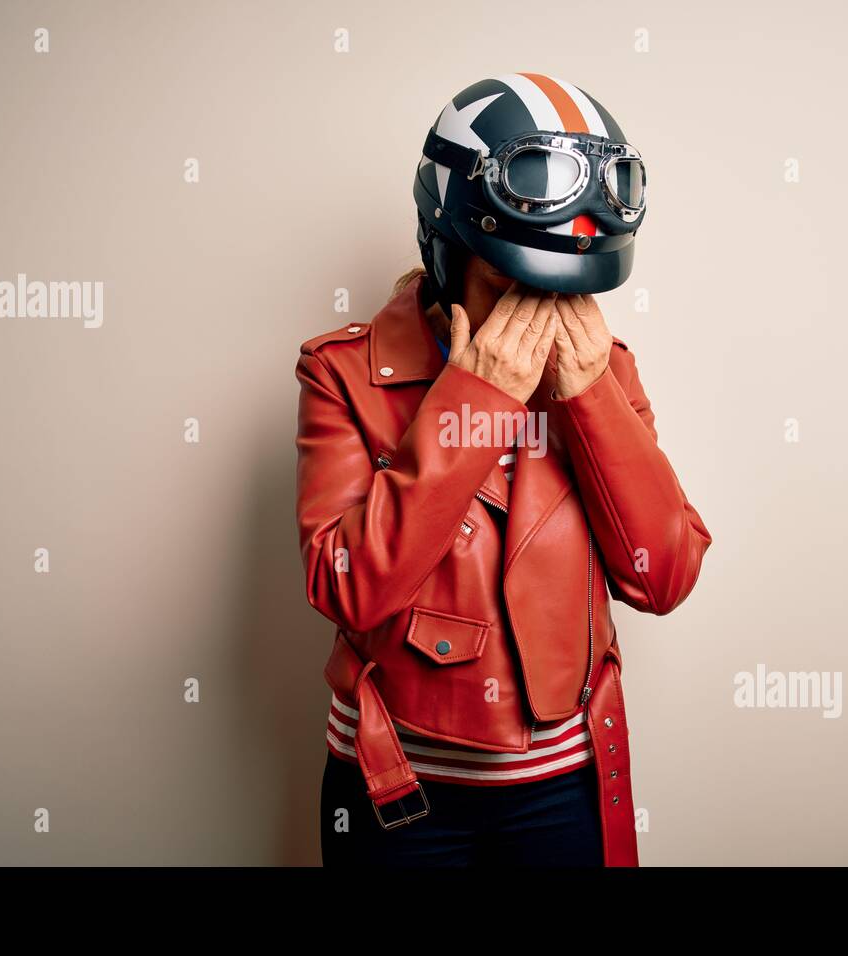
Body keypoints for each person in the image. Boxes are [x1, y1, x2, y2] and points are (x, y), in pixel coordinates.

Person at [295, 73, 712, 867]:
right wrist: (478, 399)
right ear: (448, 253)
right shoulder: (343, 372)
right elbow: (348, 587)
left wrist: (590, 400)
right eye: (510, 284)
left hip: (563, 786)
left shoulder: (604, 368)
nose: (539, 319)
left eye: (563, 289)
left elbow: (662, 577)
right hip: (395, 788)